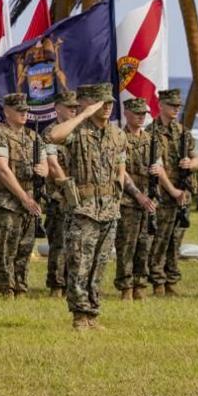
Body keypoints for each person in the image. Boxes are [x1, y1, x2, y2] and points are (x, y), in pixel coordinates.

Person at [46, 83, 126, 331]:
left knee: (99, 266)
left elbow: (121, 166)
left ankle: (92, 313)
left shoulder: (117, 134)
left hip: (109, 209)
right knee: (80, 263)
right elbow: (53, 136)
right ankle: (79, 316)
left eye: (110, 102)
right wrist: (84, 114)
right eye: (102, 103)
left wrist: (117, 197)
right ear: (89, 104)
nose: (107, 107)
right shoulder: (76, 131)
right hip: (83, 209)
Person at [0, 93, 47, 298]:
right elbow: (2, 170)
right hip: (7, 201)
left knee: (25, 246)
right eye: (19, 110)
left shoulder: (33, 137)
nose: (24, 113)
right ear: (7, 111)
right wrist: (24, 197)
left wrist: (44, 170)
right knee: (6, 248)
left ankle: (20, 287)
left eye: (25, 110)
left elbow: (45, 164)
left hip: (30, 199)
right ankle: (7, 289)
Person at [147, 89, 198, 297]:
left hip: (183, 193)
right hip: (164, 193)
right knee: (159, 239)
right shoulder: (151, 133)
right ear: (161, 105)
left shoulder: (183, 132)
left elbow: (197, 158)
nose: (176, 109)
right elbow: (157, 167)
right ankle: (158, 282)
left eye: (178, 106)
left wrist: (191, 164)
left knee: (176, 239)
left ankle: (171, 280)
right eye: (172, 105)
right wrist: (173, 191)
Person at [114, 97, 155, 300]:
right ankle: (126, 287)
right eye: (137, 113)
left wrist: (158, 171)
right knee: (126, 245)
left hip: (149, 200)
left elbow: (158, 165)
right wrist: (137, 194)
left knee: (144, 245)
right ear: (127, 113)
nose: (141, 117)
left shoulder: (150, 140)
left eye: (143, 114)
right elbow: (121, 171)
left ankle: (140, 285)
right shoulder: (119, 138)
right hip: (128, 201)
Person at [42, 91, 79, 297]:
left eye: (75, 107)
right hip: (58, 196)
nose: (73, 109)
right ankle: (56, 286)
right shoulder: (51, 132)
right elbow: (53, 165)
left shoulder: (81, 131)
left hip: (80, 197)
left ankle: (71, 283)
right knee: (59, 242)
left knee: (75, 243)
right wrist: (69, 190)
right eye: (69, 106)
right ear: (57, 108)